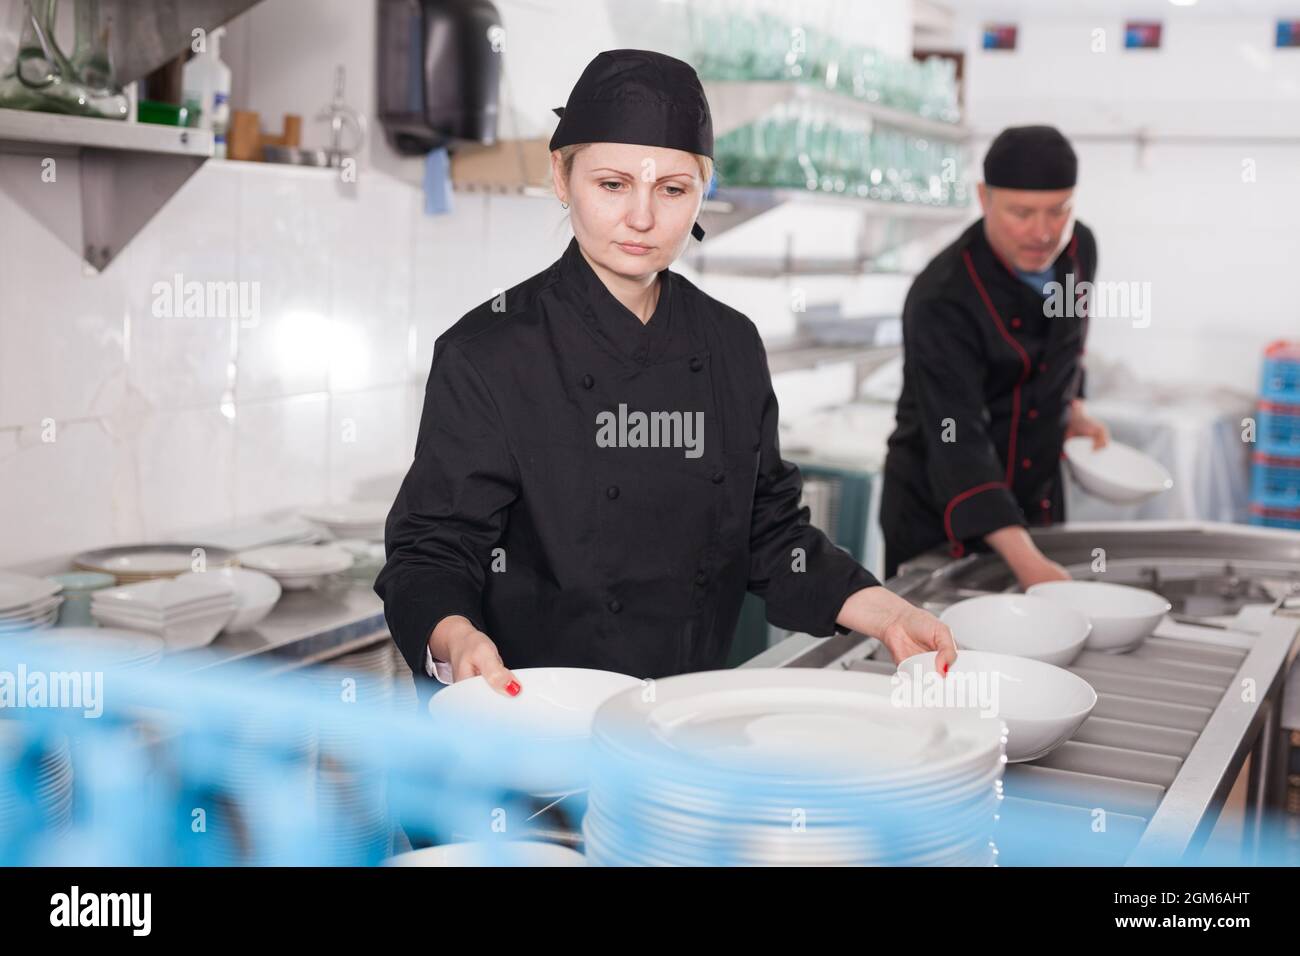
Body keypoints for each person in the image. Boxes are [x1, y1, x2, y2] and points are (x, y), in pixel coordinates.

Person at [375, 49, 956, 700]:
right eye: (612, 184)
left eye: (672, 189)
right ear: (562, 180)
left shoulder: (730, 343)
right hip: (527, 727)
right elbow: (431, 552)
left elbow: (768, 531)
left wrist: (884, 610)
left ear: (702, 191)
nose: (643, 218)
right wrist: (456, 637)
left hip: (677, 721)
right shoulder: (488, 352)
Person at [881, 125, 1110, 587]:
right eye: (1022, 213)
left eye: (1058, 211)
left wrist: (1073, 409)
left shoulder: (1080, 250)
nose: (1043, 233)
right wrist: (1030, 567)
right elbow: (957, 439)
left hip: (1035, 498)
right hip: (940, 508)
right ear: (984, 198)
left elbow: (1068, 348)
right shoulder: (942, 296)